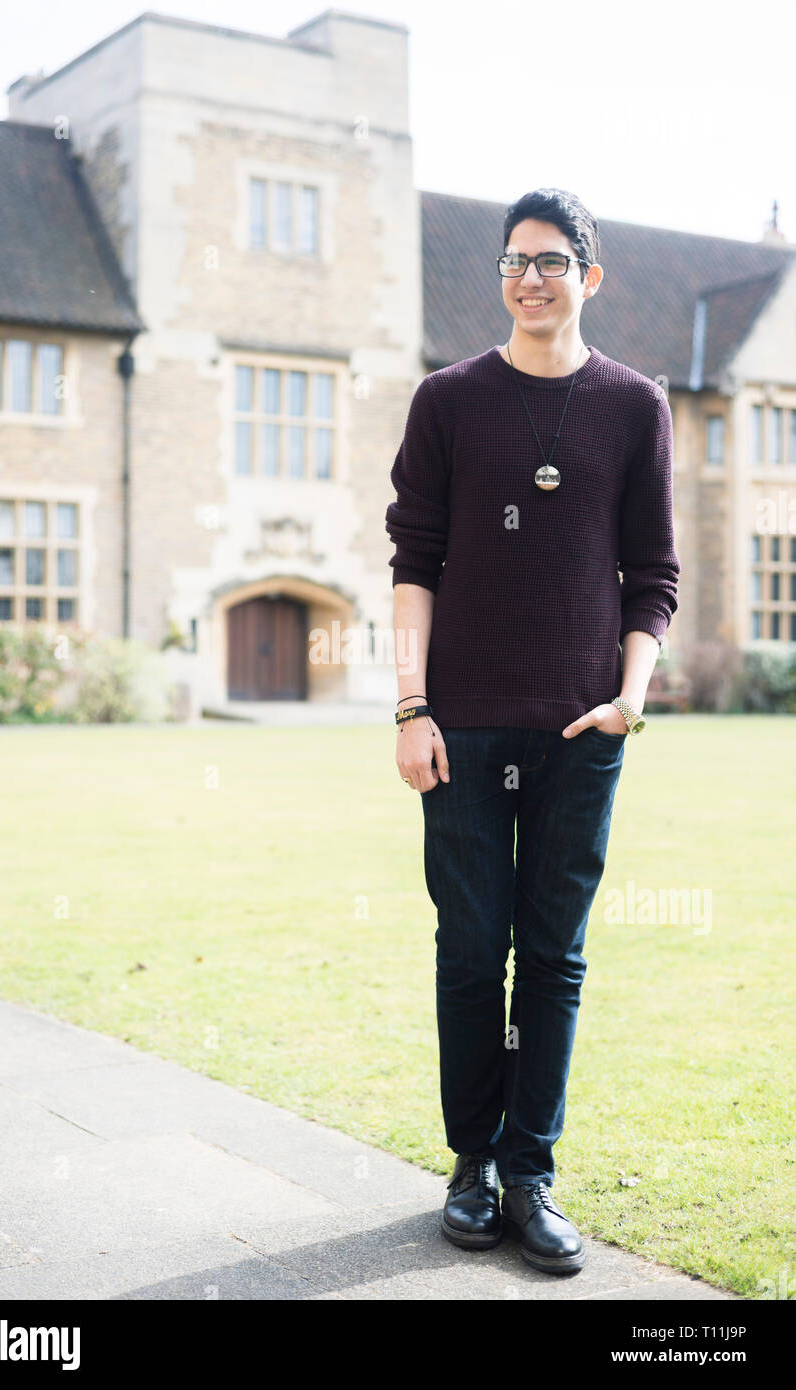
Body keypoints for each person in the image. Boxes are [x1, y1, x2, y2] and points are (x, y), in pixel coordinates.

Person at [385, 187, 679, 1276]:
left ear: (590, 277)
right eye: (515, 261)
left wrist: (630, 697)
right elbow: (414, 565)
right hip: (460, 726)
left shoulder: (636, 405)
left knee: (553, 958)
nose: (531, 278)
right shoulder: (447, 401)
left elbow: (652, 574)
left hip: (582, 728)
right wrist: (412, 707)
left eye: (553, 261)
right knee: (471, 950)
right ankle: (471, 1165)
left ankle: (532, 1171)